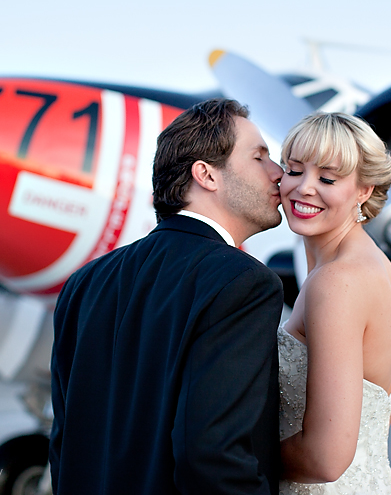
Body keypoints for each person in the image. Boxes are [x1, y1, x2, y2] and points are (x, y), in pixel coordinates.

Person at [49, 98, 285, 495]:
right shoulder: (245, 283)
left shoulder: (84, 283)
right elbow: (212, 452)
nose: (278, 173)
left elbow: (64, 443)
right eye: (259, 157)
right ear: (207, 175)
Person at [277, 112, 391, 494]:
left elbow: (325, 458)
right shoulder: (372, 268)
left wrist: (226, 450)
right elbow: (381, 413)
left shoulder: (339, 282)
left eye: (327, 179)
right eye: (294, 170)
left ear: (365, 190)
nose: (303, 188)